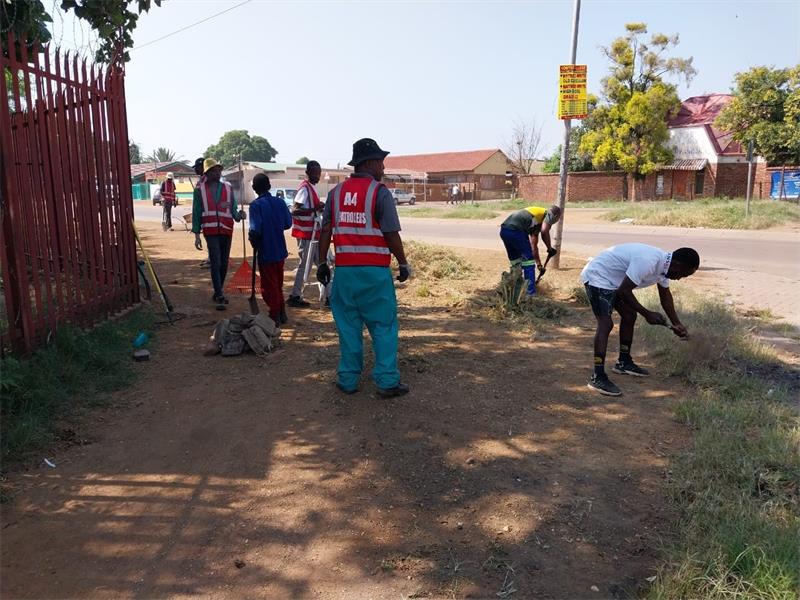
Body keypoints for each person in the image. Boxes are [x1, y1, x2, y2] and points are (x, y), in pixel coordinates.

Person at [316, 138, 410, 398]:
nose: (383, 166)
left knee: (347, 327)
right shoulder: (379, 194)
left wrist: (322, 262)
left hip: (345, 273)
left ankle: (347, 380)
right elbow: (391, 234)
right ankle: (387, 381)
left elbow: (325, 230)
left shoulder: (335, 194)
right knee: (383, 327)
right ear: (368, 163)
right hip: (375, 275)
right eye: (380, 161)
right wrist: (402, 263)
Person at [581, 244, 700, 396]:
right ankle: (598, 376)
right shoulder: (648, 261)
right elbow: (624, 291)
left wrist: (677, 323)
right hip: (598, 276)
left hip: (615, 282)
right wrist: (647, 313)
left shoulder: (665, 267)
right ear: (677, 265)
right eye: (683, 274)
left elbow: (665, 297)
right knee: (606, 323)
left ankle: (624, 362)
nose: (680, 279)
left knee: (630, 315)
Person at [191, 158, 246, 309]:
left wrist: (239, 215)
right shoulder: (199, 190)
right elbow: (196, 213)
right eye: (214, 170)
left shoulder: (228, 188)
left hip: (227, 230)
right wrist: (196, 234)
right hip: (210, 231)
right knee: (216, 261)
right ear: (207, 173)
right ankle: (219, 292)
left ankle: (218, 291)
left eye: (219, 170)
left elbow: (233, 210)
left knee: (224, 263)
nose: (218, 173)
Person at [248, 173, 292, 326]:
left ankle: (275, 314)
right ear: (269, 186)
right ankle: (281, 311)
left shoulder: (256, 205)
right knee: (278, 282)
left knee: (268, 285)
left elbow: (255, 230)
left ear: (254, 188)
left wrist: (252, 239)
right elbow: (288, 224)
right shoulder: (280, 203)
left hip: (266, 250)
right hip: (280, 249)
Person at [288, 160, 329, 308]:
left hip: (313, 234)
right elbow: (294, 210)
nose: (317, 176)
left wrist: (318, 209)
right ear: (307, 173)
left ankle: (330, 297)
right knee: (304, 265)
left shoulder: (311, 188)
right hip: (306, 235)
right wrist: (314, 209)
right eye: (314, 173)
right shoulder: (305, 189)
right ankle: (295, 295)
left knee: (323, 264)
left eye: (318, 173)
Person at [499, 204, 562, 296]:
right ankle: (530, 294)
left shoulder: (535, 220)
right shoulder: (548, 214)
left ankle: (513, 290)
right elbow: (544, 231)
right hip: (516, 231)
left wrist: (539, 265)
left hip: (505, 231)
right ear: (555, 217)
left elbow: (533, 246)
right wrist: (549, 248)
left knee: (516, 262)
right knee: (528, 263)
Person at [192, 157, 211, 268]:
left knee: (211, 241)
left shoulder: (203, 182)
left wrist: (196, 232)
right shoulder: (203, 180)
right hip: (208, 217)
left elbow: (197, 209)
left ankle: (212, 260)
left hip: (208, 217)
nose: (195, 170)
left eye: (197, 168)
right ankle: (210, 258)